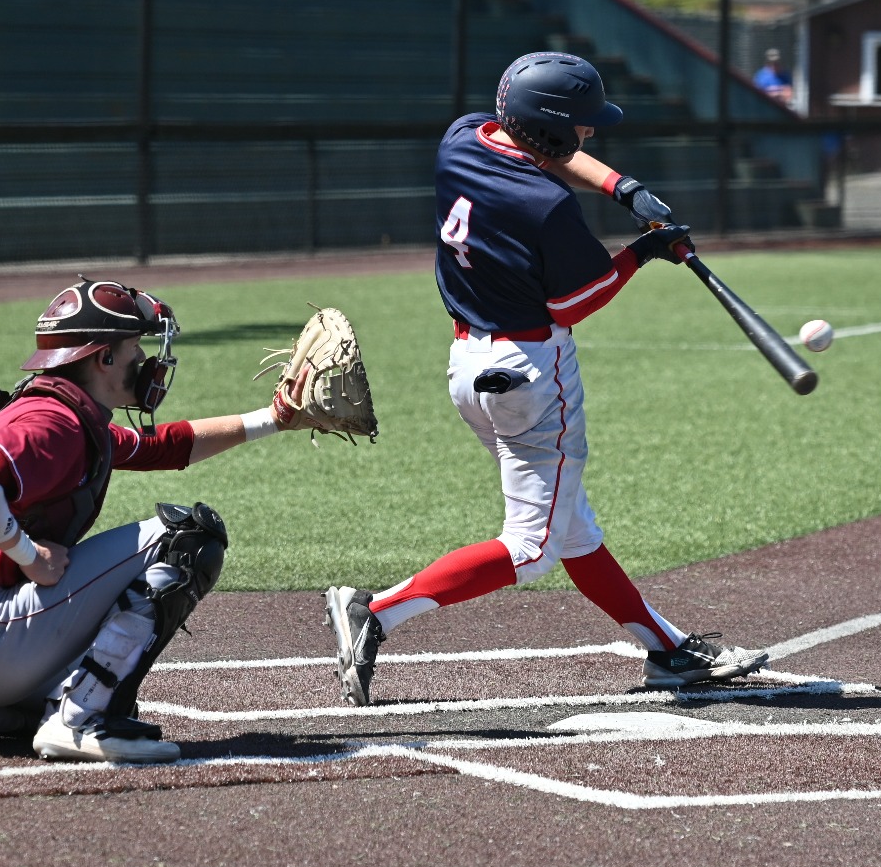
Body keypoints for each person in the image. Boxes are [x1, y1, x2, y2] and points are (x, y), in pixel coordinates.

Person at [322, 52, 769, 706]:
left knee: (572, 526)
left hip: (469, 367)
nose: (589, 135)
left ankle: (667, 650)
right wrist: (646, 250)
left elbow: (547, 153)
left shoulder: (462, 139)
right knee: (532, 549)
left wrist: (622, 188)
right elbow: (575, 303)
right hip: (532, 375)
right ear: (553, 129)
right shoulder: (547, 204)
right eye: (581, 126)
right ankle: (376, 612)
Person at [0, 279, 314, 764]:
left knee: (89, 683)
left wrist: (277, 417)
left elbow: (162, 447)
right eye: (134, 347)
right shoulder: (53, 422)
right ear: (103, 357)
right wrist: (27, 554)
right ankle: (79, 720)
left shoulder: (62, 412)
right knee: (186, 539)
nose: (143, 360)